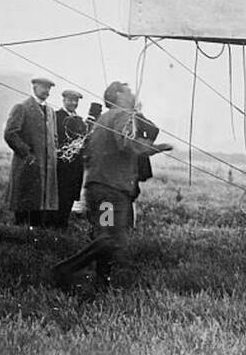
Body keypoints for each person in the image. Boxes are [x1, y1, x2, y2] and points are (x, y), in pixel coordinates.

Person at [52, 81, 173, 291]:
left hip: (98, 189)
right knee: (113, 238)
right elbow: (126, 143)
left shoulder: (104, 118)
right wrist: (156, 148)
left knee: (105, 236)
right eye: (129, 91)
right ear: (118, 94)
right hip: (112, 192)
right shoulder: (122, 115)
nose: (133, 94)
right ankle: (65, 270)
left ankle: (102, 283)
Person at [4, 76, 59, 230]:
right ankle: (19, 235)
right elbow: (10, 134)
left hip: (46, 167)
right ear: (34, 87)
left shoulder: (50, 111)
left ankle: (35, 235)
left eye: (49, 88)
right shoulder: (22, 107)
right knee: (24, 204)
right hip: (27, 165)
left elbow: (53, 137)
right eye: (43, 87)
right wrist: (27, 154)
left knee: (41, 205)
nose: (46, 91)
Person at [51, 90, 89, 228]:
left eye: (76, 101)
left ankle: (63, 221)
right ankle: (56, 223)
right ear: (64, 100)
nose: (73, 103)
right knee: (61, 192)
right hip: (61, 162)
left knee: (71, 193)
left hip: (75, 163)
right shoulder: (56, 116)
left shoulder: (79, 120)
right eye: (70, 100)